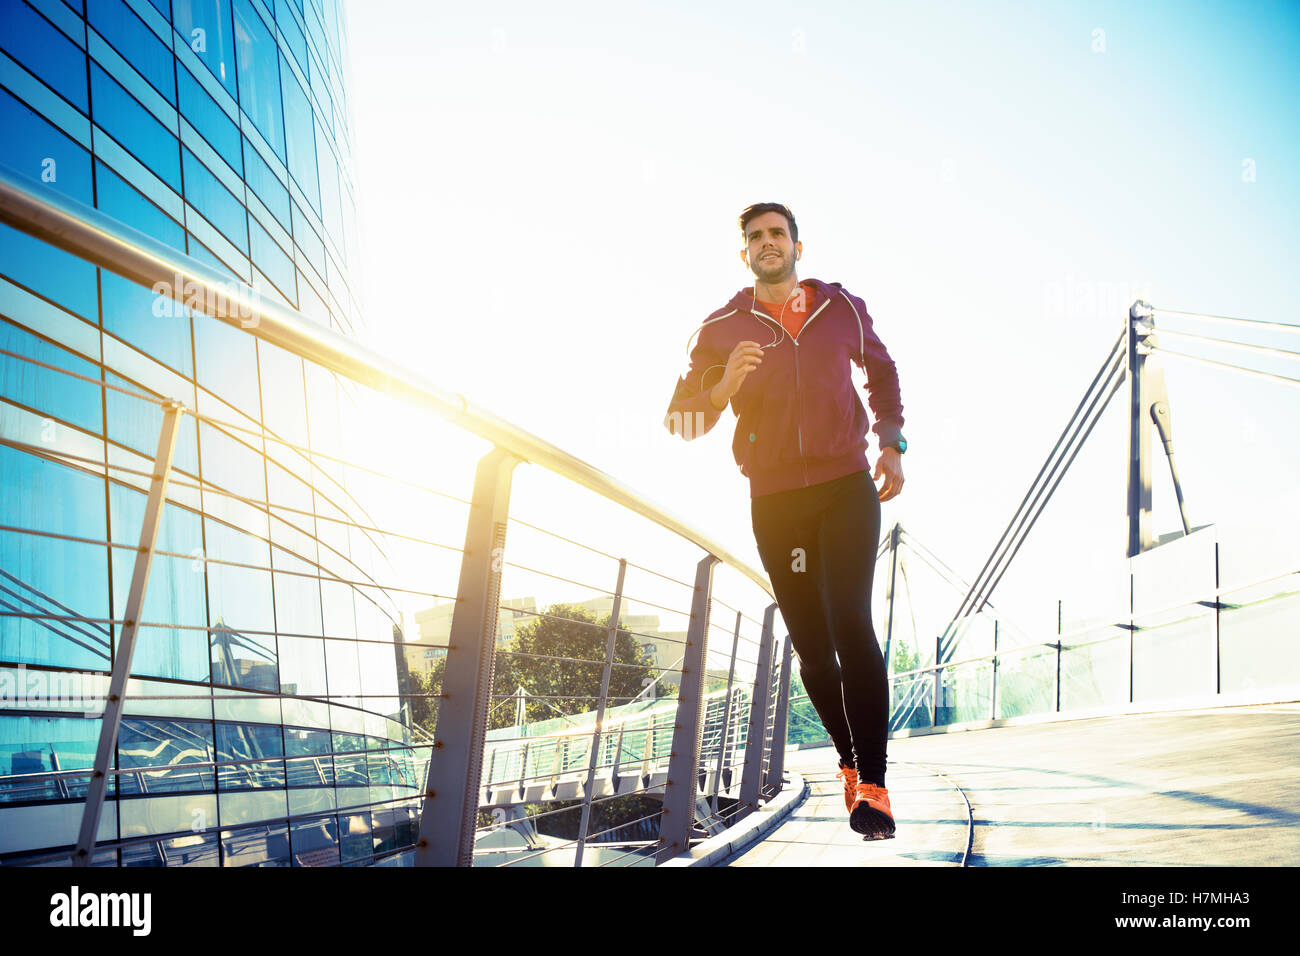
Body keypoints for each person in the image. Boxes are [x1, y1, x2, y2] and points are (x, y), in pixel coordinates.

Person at [662, 202, 906, 840]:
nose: (768, 243)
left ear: (799, 246)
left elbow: (881, 372)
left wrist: (890, 442)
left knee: (852, 622)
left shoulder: (840, 307)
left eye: (777, 234)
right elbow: (680, 421)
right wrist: (719, 391)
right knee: (813, 648)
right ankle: (848, 761)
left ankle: (875, 787)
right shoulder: (719, 328)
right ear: (744, 255)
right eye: (755, 238)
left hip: (846, 487)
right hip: (777, 504)